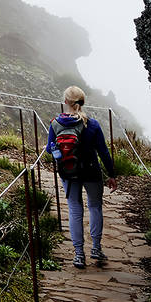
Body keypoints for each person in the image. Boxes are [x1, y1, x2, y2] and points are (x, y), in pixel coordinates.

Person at [45, 85, 117, 269]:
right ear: (82, 102)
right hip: (92, 171)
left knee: (75, 210)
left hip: (69, 172)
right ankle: (96, 248)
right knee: (94, 206)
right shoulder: (92, 124)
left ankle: (78, 255)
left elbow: (48, 149)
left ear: (65, 101)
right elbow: (103, 151)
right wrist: (112, 174)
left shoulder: (55, 123)